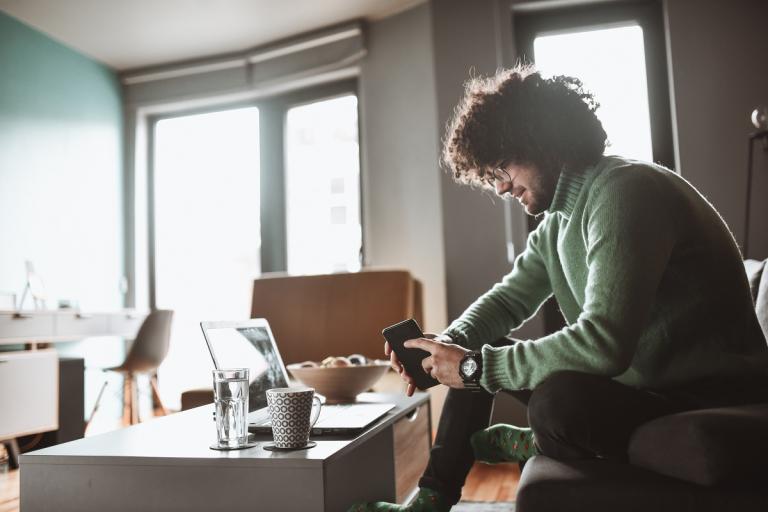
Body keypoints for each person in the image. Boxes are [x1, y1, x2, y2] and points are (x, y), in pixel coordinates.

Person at [348, 64, 768, 512]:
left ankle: (537, 441)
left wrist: (474, 369)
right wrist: (448, 345)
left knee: (557, 403)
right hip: (643, 389)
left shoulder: (626, 192)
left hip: (706, 395)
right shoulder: (557, 223)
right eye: (492, 176)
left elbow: (603, 343)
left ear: (543, 141)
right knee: (490, 353)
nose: (503, 186)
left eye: (503, 167)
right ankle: (432, 499)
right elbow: (509, 300)